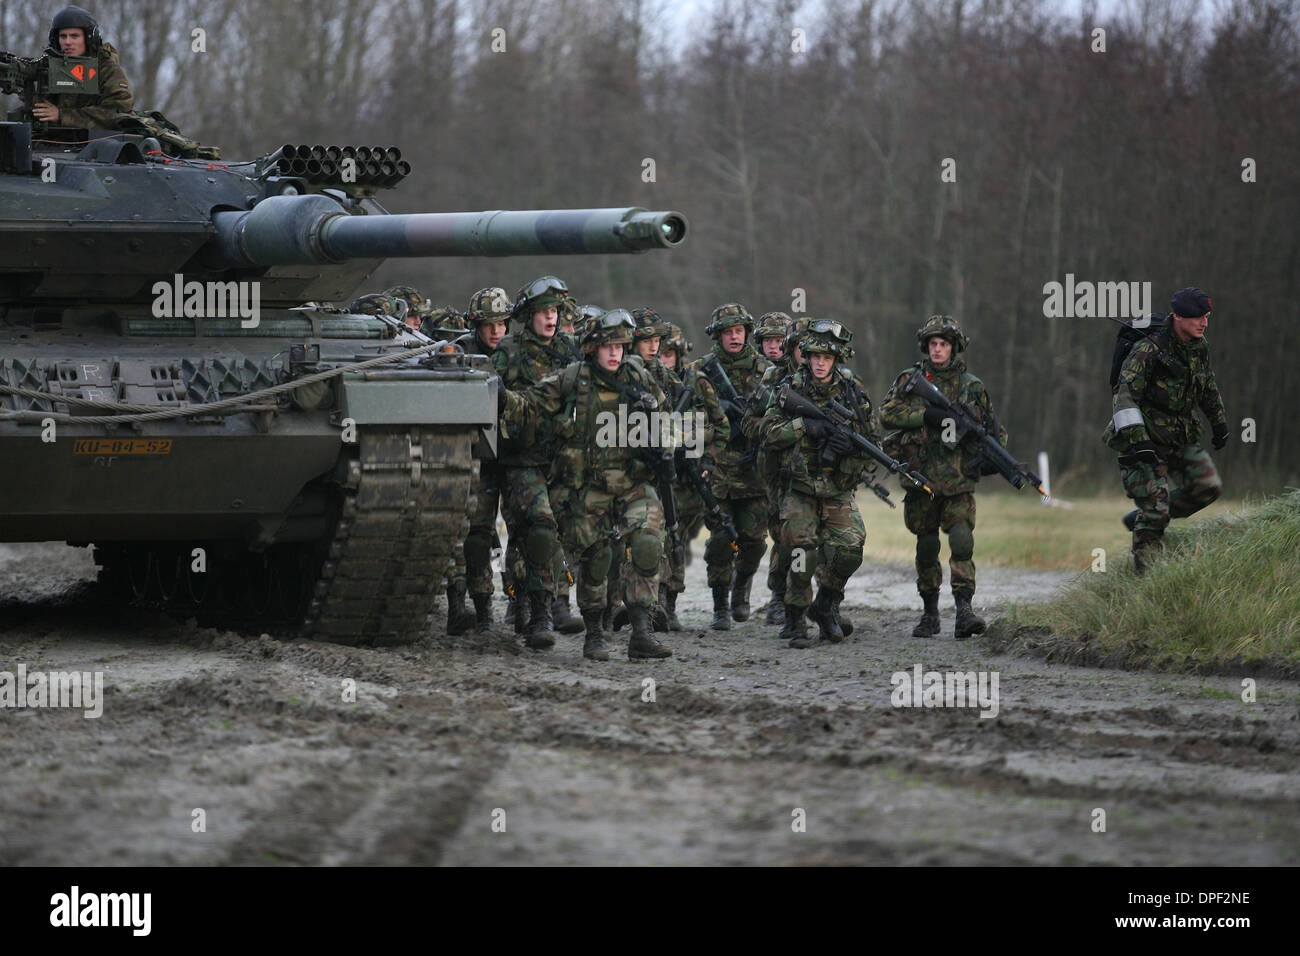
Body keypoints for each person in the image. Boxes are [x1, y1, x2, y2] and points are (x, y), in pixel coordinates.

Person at [500, 310, 674, 661]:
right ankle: (594, 633)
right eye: (608, 346)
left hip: (632, 481)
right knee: (597, 560)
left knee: (647, 545)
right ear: (593, 347)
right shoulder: (571, 379)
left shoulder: (638, 376)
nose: (615, 353)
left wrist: (661, 436)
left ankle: (642, 632)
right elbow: (530, 405)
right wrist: (500, 396)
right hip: (585, 487)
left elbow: (667, 417)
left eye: (621, 346)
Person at [880, 315, 1006, 640]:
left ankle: (964, 612)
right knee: (926, 547)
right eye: (933, 344)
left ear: (954, 348)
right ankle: (930, 613)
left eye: (944, 344)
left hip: (958, 480)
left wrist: (991, 457)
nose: (938, 350)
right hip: (921, 478)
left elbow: (994, 431)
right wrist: (925, 415)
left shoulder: (972, 386)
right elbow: (887, 413)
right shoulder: (911, 380)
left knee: (962, 542)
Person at [761, 324, 876, 647]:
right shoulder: (789, 387)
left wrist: (849, 449)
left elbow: (871, 439)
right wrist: (804, 426)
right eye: (814, 357)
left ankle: (826, 603)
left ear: (835, 358)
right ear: (806, 358)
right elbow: (768, 434)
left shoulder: (852, 391)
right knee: (801, 552)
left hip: (836, 487)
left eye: (826, 357)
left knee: (851, 547)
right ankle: (797, 620)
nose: (820, 363)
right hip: (799, 487)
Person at [1104, 286, 1226, 572]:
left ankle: (1143, 515)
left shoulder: (1199, 346)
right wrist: (1138, 441)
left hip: (1179, 438)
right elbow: (1124, 396)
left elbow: (1208, 386)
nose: (1204, 323)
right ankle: (1146, 579)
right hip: (1141, 443)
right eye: (1198, 318)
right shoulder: (1149, 348)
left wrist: (1218, 422)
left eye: (1207, 317)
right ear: (1179, 317)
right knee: (1156, 513)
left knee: (1208, 488)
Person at [491, 275, 576, 649]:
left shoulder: (571, 352)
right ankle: (537, 612)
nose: (551, 318)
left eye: (555, 310)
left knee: (551, 533)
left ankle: (547, 604)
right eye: (544, 311)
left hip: (560, 459)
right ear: (529, 315)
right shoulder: (509, 351)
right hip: (520, 459)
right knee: (538, 527)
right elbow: (491, 401)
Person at [689, 303, 771, 629]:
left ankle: (742, 586)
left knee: (754, 540)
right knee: (722, 537)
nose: (734, 337)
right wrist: (718, 418)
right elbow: (687, 415)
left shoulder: (767, 370)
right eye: (728, 332)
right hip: (717, 465)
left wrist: (753, 426)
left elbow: (777, 413)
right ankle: (720, 604)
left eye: (739, 331)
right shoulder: (701, 370)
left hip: (754, 468)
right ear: (718, 336)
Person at [451, 287, 513, 634]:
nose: (496, 331)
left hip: (516, 455)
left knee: (527, 534)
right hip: (477, 458)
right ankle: (481, 609)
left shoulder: (518, 353)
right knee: (477, 537)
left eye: (502, 323)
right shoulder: (460, 353)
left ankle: (526, 606)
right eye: (489, 324)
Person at [30, 5, 133, 129]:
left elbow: (118, 113)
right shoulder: (52, 67)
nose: (68, 42)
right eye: (63, 36)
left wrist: (62, 115)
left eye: (74, 36)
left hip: (97, 142)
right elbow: (45, 109)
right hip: (55, 139)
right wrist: (28, 94)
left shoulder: (107, 70)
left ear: (89, 39)